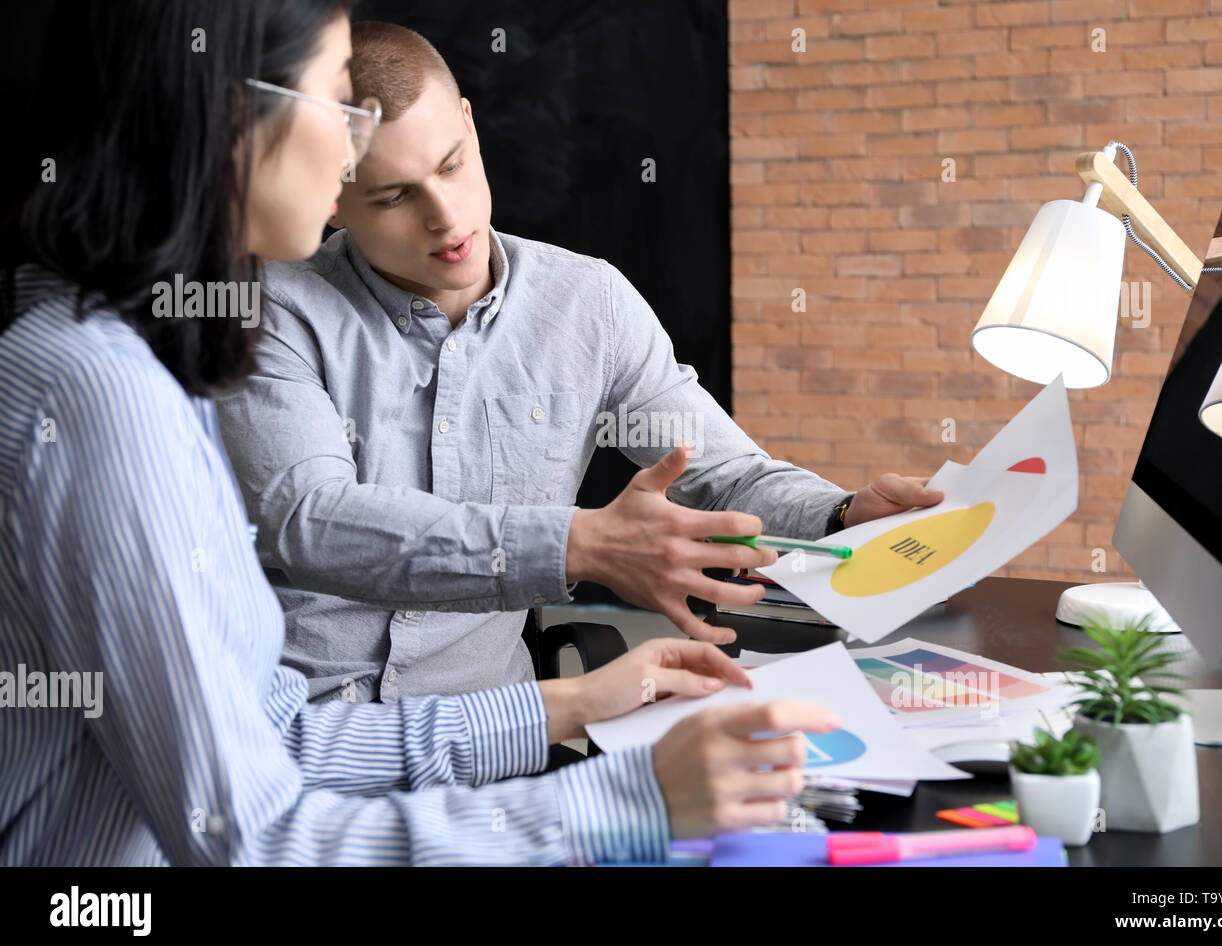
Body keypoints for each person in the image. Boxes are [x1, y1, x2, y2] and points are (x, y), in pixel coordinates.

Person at [0, 0, 837, 866]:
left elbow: (275, 738)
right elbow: (252, 837)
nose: (352, 145)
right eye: (338, 101)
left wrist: (570, 707)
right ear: (238, 119)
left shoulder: (124, 364)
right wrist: (629, 803)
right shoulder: (108, 392)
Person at [215, 20, 946, 703]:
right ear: (333, 196)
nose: (444, 214)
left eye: (451, 164)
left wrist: (841, 513)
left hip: (492, 740)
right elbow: (310, 520)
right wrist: (578, 544)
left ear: (470, 124)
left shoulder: (585, 302)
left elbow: (721, 471)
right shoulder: (272, 306)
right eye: (394, 195)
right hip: (303, 736)